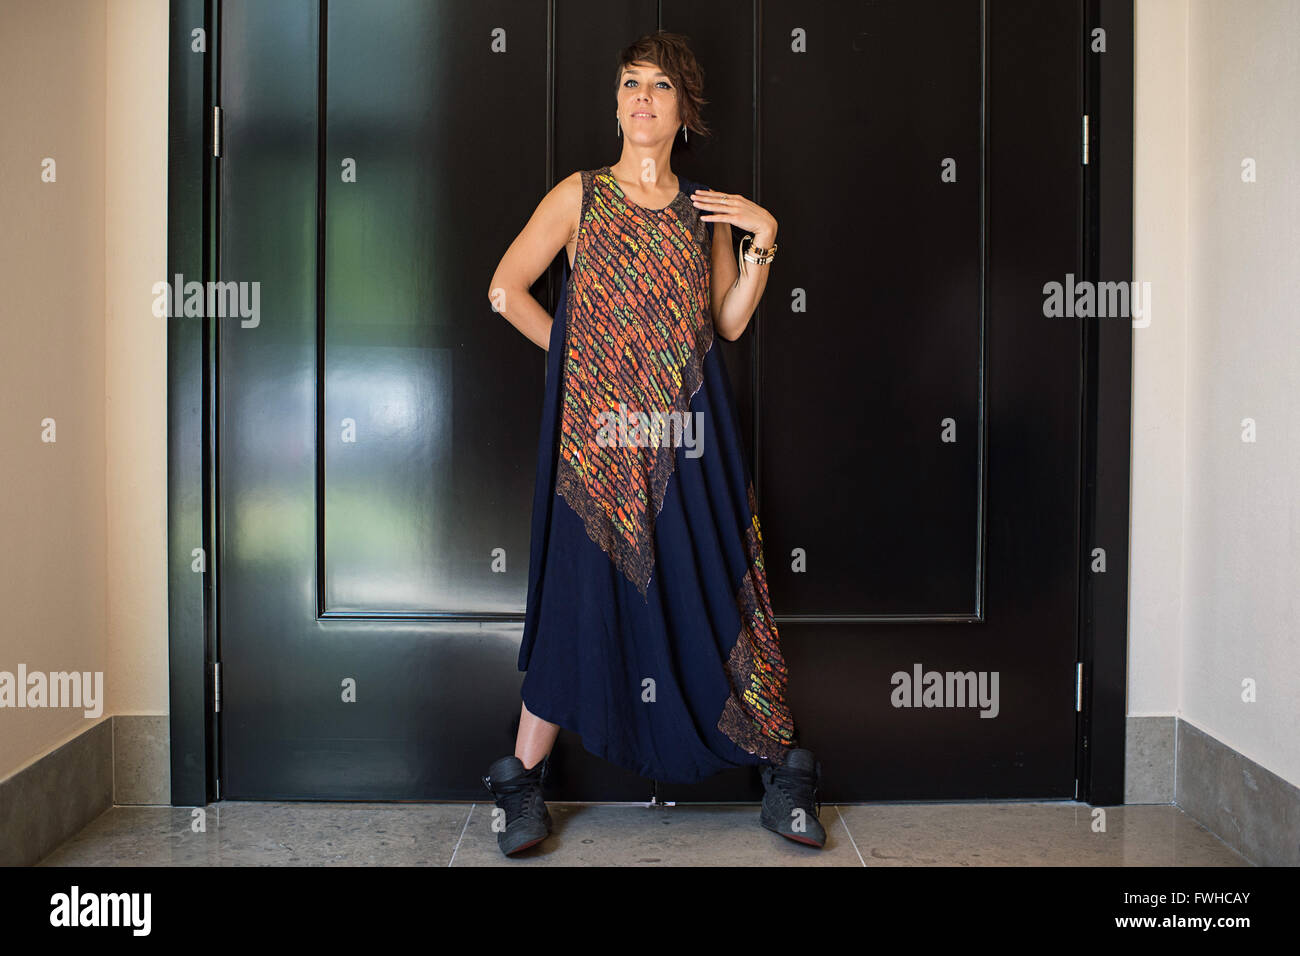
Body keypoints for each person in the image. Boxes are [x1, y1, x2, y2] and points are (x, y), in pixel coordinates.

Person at [484, 30, 825, 857]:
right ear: (616, 103)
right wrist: (583, 367)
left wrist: (765, 237)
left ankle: (782, 775)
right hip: (597, 446)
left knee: (711, 587)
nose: (643, 97)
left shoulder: (700, 208)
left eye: (661, 86)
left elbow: (726, 322)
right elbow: (505, 291)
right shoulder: (581, 195)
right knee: (576, 598)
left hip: (685, 442)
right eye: (631, 83)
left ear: (683, 111)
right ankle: (520, 783)